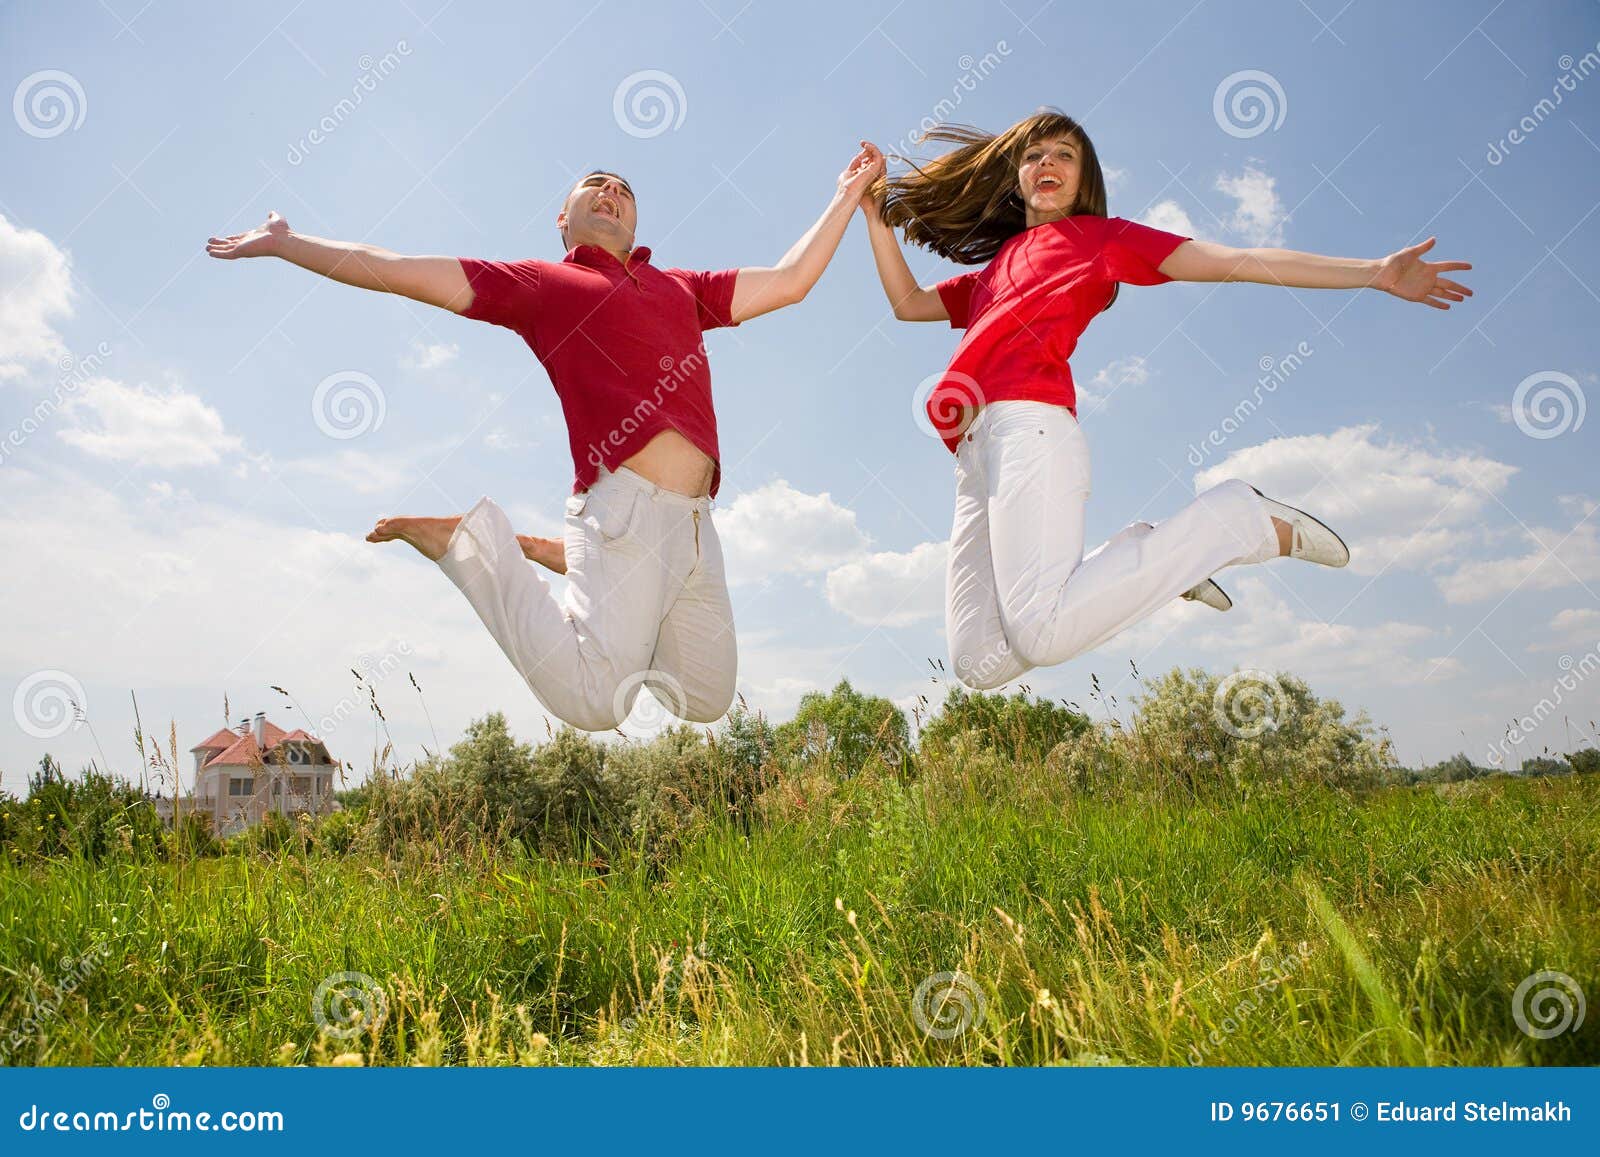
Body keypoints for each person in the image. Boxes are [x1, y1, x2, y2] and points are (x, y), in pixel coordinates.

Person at [208, 146, 885, 729]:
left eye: (624, 189)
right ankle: (476, 543)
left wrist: (847, 195)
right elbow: (403, 270)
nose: (613, 192)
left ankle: (571, 562)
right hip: (623, 505)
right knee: (598, 705)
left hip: (696, 528)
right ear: (564, 219)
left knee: (705, 698)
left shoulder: (682, 288)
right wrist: (289, 244)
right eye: (597, 186)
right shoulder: (545, 284)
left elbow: (793, 281)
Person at [857, 113, 1471, 690]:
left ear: (1084, 179)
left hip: (1029, 428)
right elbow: (907, 303)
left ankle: (1239, 519)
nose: (1048, 163)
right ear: (1016, 177)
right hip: (973, 456)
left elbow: (1240, 262)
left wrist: (1374, 271)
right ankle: (1154, 555)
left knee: (1041, 637)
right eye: (1034, 155)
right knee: (977, 662)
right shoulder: (996, 269)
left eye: (1065, 155)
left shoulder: (1102, 239)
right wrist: (872, 209)